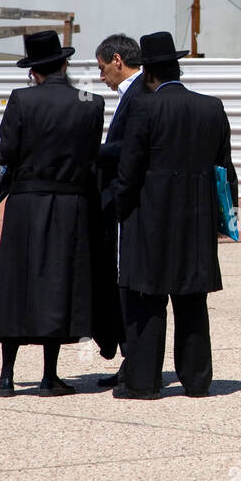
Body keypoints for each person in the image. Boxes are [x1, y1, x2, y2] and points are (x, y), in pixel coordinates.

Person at [110, 31, 238, 399]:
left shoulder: (143, 108)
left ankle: (143, 382)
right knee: (192, 302)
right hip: (196, 220)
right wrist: (226, 219)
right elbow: (224, 170)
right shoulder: (211, 107)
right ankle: (197, 381)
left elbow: (129, 170)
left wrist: (119, 207)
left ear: (148, 73)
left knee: (146, 302)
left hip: (149, 219)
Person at [0, 30, 105, 397]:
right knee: (58, 283)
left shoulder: (21, 100)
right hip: (71, 202)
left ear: (33, 70)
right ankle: (49, 376)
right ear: (64, 62)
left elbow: (7, 152)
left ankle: (7, 377)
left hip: (26, 202)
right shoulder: (91, 102)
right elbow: (91, 155)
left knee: (16, 283)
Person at [92, 33, 146, 386]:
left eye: (101, 68)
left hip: (131, 203)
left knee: (128, 281)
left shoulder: (140, 93)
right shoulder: (135, 92)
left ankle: (135, 362)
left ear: (116, 60)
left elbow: (132, 146)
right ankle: (129, 358)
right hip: (123, 199)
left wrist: (91, 152)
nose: (100, 77)